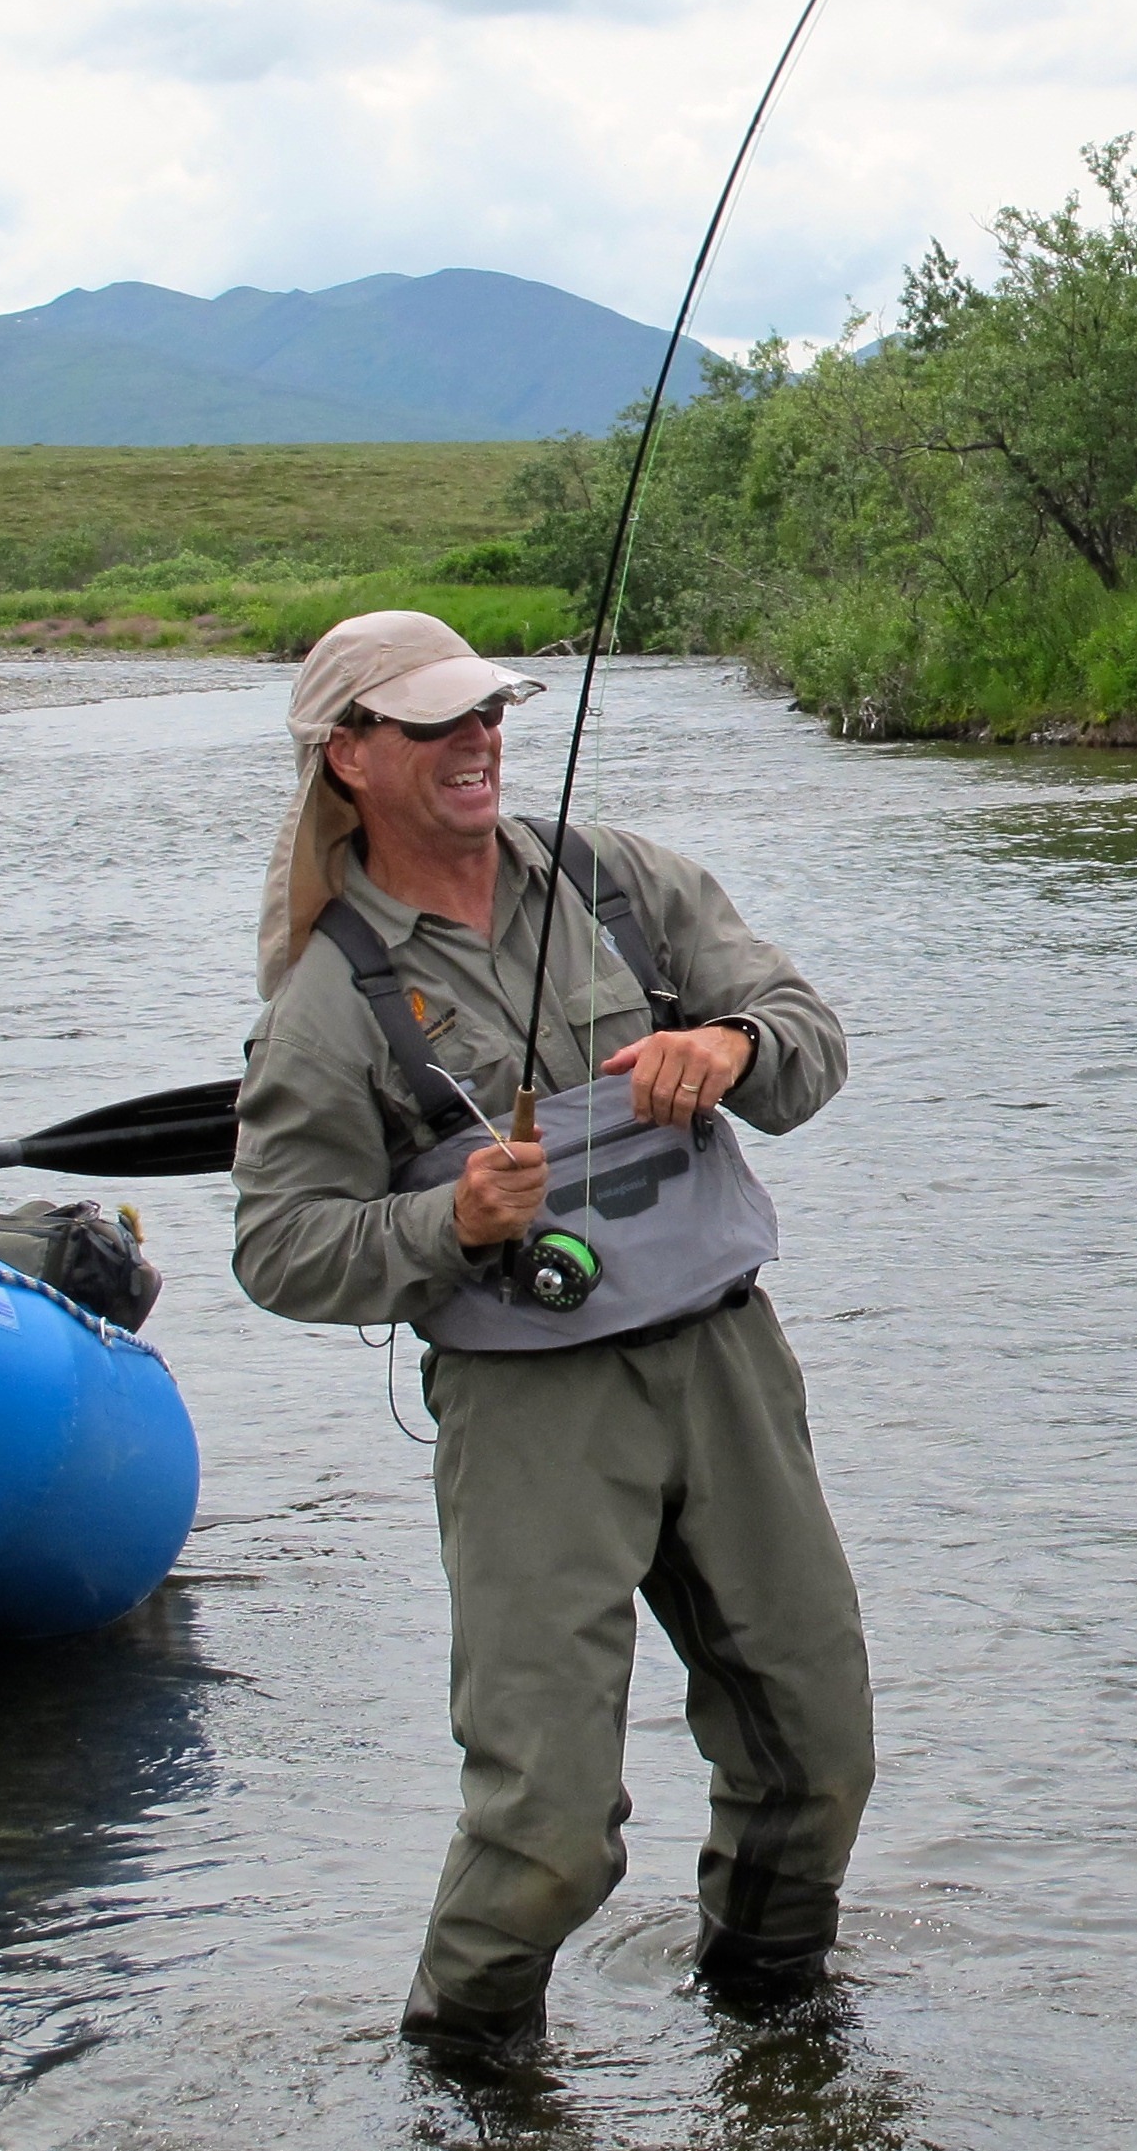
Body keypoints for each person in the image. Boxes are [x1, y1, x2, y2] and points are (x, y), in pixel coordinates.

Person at [231, 610, 874, 2056]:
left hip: (725, 1362)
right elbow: (276, 1248)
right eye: (435, 722)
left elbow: (807, 1035)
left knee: (820, 1757)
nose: (480, 738)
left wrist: (737, 1048)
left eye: (488, 710)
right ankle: (464, 2070)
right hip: (529, 1416)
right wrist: (444, 1224)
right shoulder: (327, 1007)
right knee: (550, 1835)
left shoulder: (622, 882)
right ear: (349, 758)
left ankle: (773, 2031)